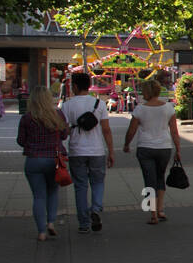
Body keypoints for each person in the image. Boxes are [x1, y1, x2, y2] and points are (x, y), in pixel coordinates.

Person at [60, 71, 114, 234]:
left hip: (77, 151)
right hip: (97, 150)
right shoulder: (100, 104)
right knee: (98, 182)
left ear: (75, 86)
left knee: (80, 186)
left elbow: (64, 131)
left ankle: (83, 223)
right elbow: (106, 130)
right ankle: (96, 209)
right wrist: (111, 151)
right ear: (89, 85)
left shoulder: (67, 105)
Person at [123, 79, 181, 224]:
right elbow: (174, 132)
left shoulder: (140, 109)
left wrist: (126, 144)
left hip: (145, 147)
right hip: (164, 147)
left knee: (149, 180)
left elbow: (131, 130)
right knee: (160, 177)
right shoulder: (168, 107)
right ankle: (160, 209)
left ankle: (152, 213)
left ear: (146, 92)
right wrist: (178, 150)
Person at [17, 87, 69, 241]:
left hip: (33, 160)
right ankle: (51, 222)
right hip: (54, 160)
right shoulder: (58, 115)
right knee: (53, 192)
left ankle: (41, 231)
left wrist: (32, 144)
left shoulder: (27, 118)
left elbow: (20, 140)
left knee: (39, 196)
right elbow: (65, 135)